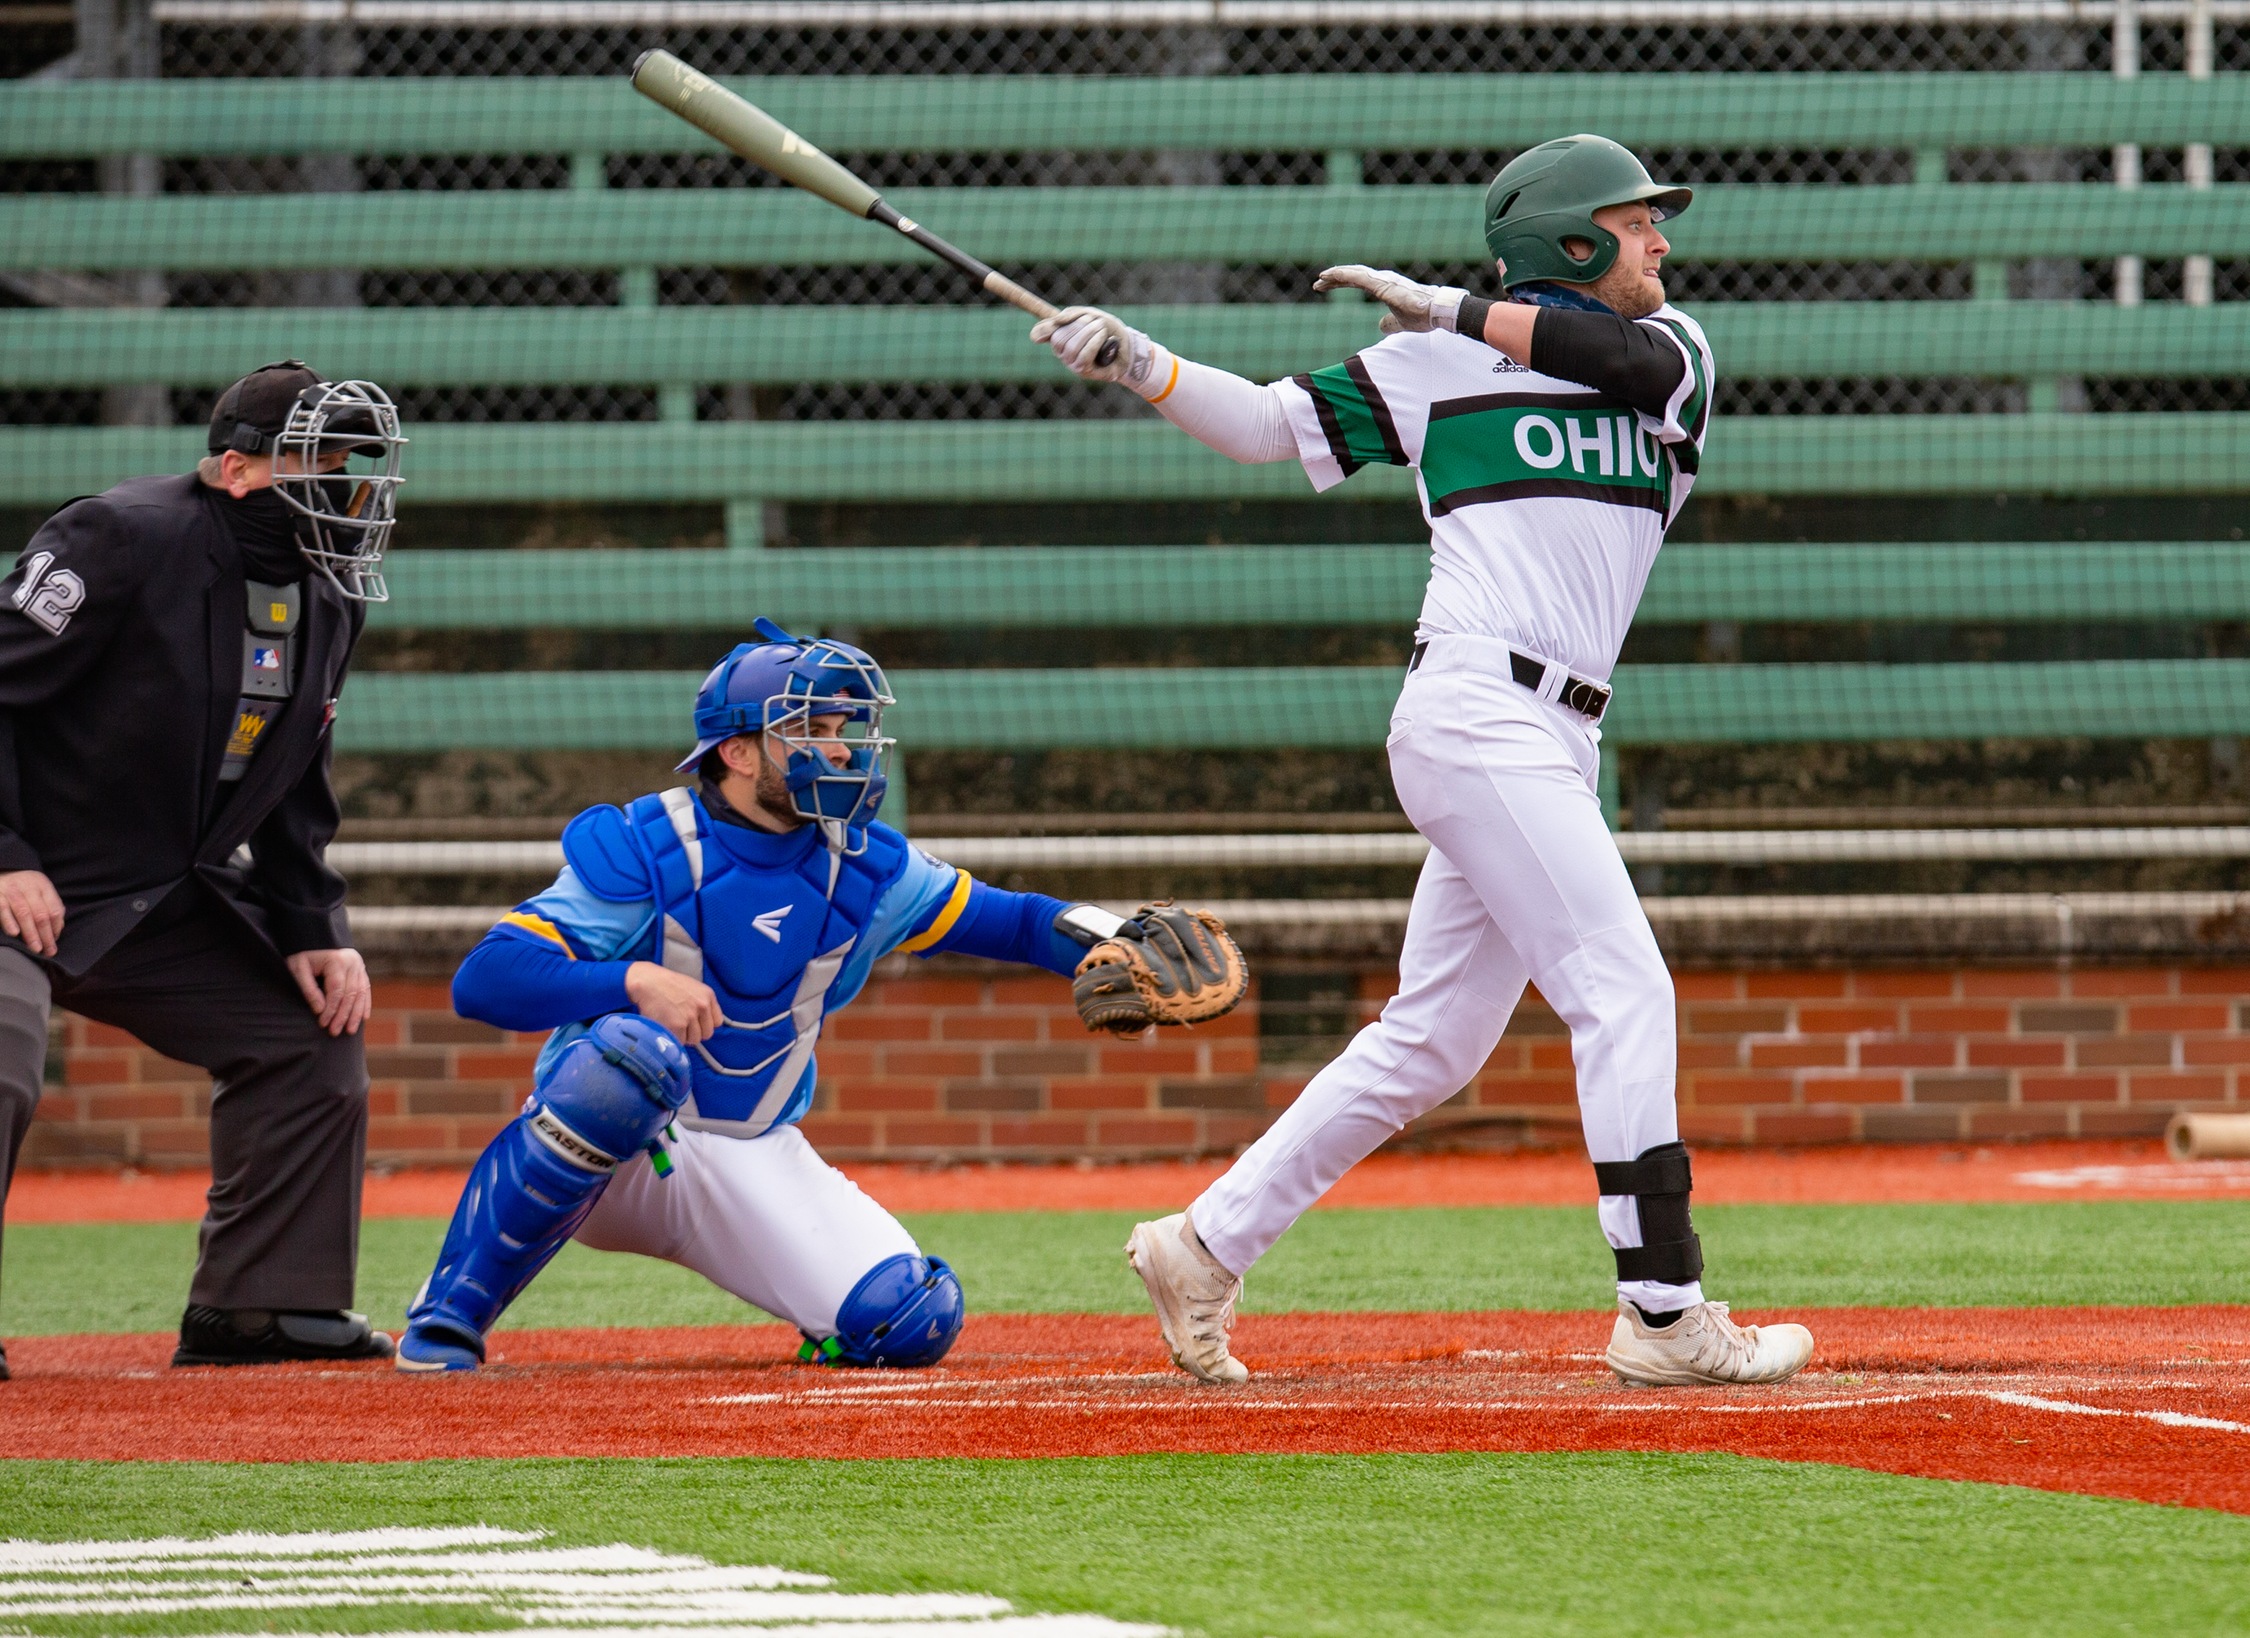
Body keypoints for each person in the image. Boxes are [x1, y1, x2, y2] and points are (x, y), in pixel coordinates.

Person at [1031, 134, 1816, 1388]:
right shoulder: (1432, 366)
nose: (1660, 241)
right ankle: (1664, 1315)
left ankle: (1202, 1245)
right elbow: (1260, 429)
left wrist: (1452, 306)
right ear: (1567, 241)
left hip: (1555, 734)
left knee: (1435, 1042)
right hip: (1475, 707)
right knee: (1625, 993)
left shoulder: (1678, 355)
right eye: (1633, 223)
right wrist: (1138, 360)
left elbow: (1609, 358)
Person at [396, 622, 1245, 1371]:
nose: (841, 748)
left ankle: (822, 1314)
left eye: (845, 728)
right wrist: (631, 979)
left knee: (909, 1319)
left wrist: (1111, 936)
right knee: (627, 1057)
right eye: (810, 727)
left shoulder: (867, 862)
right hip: (617, 1145)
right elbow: (485, 981)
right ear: (736, 751)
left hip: (755, 1147)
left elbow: (1014, 922)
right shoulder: (642, 847)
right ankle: (447, 1323)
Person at [0, 360, 406, 1375]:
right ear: (236, 470)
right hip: (23, 871)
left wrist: (314, 927)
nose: (343, 488)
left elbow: (296, 773)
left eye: (351, 466)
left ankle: (261, 1309)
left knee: (308, 1040)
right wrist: (5, 857)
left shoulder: (329, 592)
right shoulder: (121, 537)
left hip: (151, 889)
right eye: (315, 462)